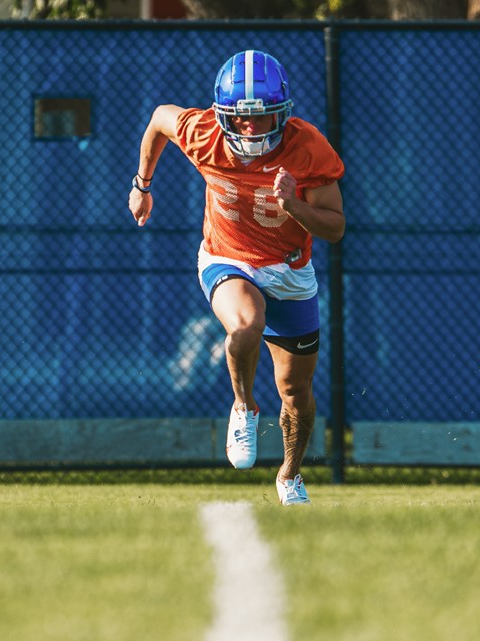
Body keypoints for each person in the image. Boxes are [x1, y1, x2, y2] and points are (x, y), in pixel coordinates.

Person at [128, 50, 345, 505]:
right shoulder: (205, 131)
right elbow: (159, 119)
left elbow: (335, 226)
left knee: (297, 393)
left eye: (262, 117)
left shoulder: (308, 147)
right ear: (222, 114)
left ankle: (289, 475)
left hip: (288, 269)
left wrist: (295, 207)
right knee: (245, 323)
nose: (250, 127)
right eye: (239, 118)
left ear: (282, 114)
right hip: (228, 258)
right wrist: (141, 185)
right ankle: (244, 406)